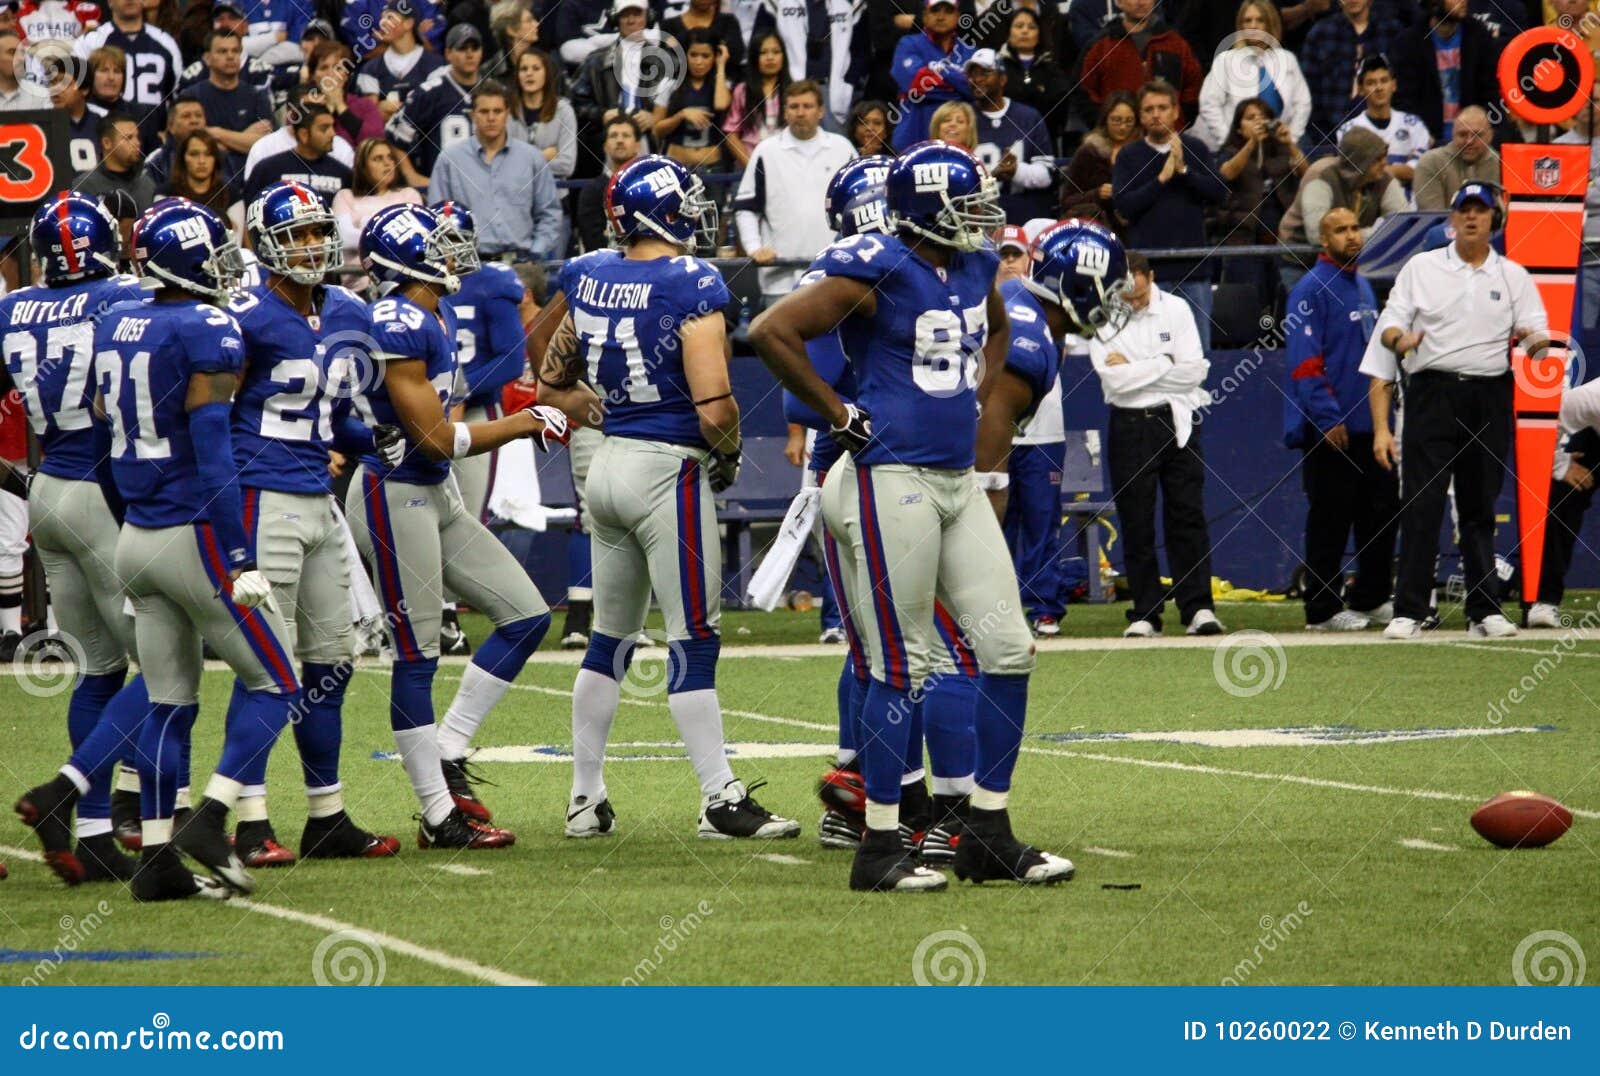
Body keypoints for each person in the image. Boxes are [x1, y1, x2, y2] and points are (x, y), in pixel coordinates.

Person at [751, 141, 1073, 892]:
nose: (985, 217)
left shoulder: (971, 264)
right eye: (968, 202)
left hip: (955, 481)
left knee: (1009, 648)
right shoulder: (877, 262)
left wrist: (973, 393)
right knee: (901, 665)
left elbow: (994, 328)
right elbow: (772, 330)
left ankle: (986, 831)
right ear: (930, 209)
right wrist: (841, 413)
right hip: (887, 476)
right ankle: (880, 846)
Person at [524, 155, 800, 845]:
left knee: (611, 639)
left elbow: (548, 378)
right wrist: (730, 452)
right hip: (666, 470)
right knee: (694, 637)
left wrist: (602, 414)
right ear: (662, 210)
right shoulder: (692, 282)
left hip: (610, 463)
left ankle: (584, 800)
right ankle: (718, 799)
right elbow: (713, 402)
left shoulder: (588, 273)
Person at [346, 203, 577, 845]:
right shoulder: (396, 319)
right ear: (407, 256)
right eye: (440, 246)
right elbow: (434, 438)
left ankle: (449, 749)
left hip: (431, 495)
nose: (454, 256)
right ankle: (439, 813)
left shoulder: (432, 312)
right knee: (417, 655)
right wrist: (524, 422)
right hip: (396, 495)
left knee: (527, 617)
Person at [94, 198, 293, 901]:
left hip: (137, 533)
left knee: (169, 702)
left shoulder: (117, 319)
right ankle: (210, 816)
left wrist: (131, 520)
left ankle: (155, 861)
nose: (224, 265)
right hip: (195, 534)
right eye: (211, 253)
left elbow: (100, 434)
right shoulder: (207, 327)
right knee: (280, 683)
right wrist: (240, 557)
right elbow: (213, 458)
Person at [222, 181, 406, 866]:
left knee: (331, 664)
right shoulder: (246, 315)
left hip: (318, 499)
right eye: (295, 234)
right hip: (261, 497)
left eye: (315, 232)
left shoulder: (347, 312)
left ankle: (326, 816)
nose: (309, 245)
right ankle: (248, 820)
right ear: (267, 244)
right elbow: (215, 416)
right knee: (267, 670)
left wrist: (369, 438)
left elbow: (325, 417)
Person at [4, 194, 148, 887]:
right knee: (163, 667)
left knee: (98, 666)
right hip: (102, 492)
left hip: (47, 490)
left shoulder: (14, 308)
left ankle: (92, 837)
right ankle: (86, 800)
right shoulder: (121, 293)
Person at [1362, 182, 1551, 640]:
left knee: (1479, 504)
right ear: (1452, 218)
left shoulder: (1513, 275)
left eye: (1480, 211)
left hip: (1488, 394)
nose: (1471, 218)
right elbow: (1391, 320)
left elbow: (1543, 341)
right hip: (1433, 391)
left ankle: (1484, 610)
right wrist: (1398, 340)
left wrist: (1533, 341)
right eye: (1464, 210)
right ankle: (1409, 610)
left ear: (1494, 219)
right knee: (1422, 501)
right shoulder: (1422, 267)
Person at [1089, 250, 1222, 638]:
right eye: (1126, 295)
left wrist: (1134, 368)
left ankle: (1198, 608)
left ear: (1151, 277)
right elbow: (1112, 384)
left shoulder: (1177, 309)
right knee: (1136, 519)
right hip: (1129, 426)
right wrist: (1164, 362)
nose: (1133, 302)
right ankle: (1146, 612)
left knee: (1187, 516)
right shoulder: (1102, 316)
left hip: (1176, 421)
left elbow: (1195, 373)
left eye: (1139, 294)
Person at [1283, 208, 1396, 631]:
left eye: (1355, 228)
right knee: (1330, 517)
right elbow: (1304, 363)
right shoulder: (1309, 290)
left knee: (1381, 512)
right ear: (1322, 239)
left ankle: (1371, 595)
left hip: (1373, 426)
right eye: (1340, 231)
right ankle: (1322, 609)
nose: (1352, 236)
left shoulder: (1364, 287)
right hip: (1331, 429)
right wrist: (1328, 417)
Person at [434, 200, 531, 654]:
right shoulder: (416, 290)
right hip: (422, 414)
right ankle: (423, 611)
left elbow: (512, 359)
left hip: (472, 414)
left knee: (462, 516)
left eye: (458, 243)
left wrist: (459, 394)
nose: (450, 254)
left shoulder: (492, 285)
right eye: (442, 244)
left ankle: (448, 614)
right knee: (416, 512)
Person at [984, 223, 1069, 637]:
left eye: (1015, 254)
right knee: (988, 525)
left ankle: (1043, 607)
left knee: (1041, 522)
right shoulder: (975, 302)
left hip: (1043, 431)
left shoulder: (1049, 304)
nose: (1008, 262)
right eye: (1001, 254)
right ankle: (992, 610)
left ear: (1030, 259)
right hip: (990, 432)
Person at [1112, 79, 1228, 348]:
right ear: (1140, 116)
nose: (1156, 114)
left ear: (1176, 111)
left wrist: (1185, 172)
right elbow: (1124, 206)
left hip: (1193, 268)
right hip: (1150, 274)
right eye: (1149, 109)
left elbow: (1219, 194)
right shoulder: (1129, 156)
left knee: (1198, 350)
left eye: (1162, 107)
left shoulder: (1196, 148)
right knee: (1152, 350)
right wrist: (1161, 179)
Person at [733, 79, 856, 301]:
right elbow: (746, 208)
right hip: (780, 281)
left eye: (807, 106)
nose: (800, 113)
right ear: (785, 112)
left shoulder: (843, 149)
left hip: (834, 275)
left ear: (821, 111)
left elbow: (860, 206)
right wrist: (754, 248)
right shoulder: (765, 152)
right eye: (794, 107)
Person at [430, 81, 563, 263]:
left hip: (522, 264)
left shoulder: (532, 158)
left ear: (507, 114)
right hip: (469, 267)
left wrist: (536, 252)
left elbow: (550, 213)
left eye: (497, 111)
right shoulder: (449, 160)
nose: (491, 118)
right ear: (473, 115)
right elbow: (438, 217)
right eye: (484, 112)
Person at [1526, 379, 1600, 628]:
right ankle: (1545, 600)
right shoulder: (1593, 396)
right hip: (1596, 442)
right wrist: (1559, 464)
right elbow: (1548, 420)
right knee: (1564, 495)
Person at [1196, 0, 1311, 152]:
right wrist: (1230, 142)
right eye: (1247, 20)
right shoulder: (1226, 60)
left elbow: (1303, 103)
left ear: (1270, 24)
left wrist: (1291, 141)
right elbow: (1209, 104)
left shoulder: (1287, 59)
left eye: (1260, 20)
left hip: (1277, 146)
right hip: (1232, 148)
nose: (1253, 26)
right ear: (1241, 26)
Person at [1076, 0, 1204, 131]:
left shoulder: (1176, 44)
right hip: (1117, 142)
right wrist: (1107, 125)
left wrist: (1178, 122)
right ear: (1118, 2)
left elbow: (1193, 88)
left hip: (1168, 140)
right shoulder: (1100, 46)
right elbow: (1084, 93)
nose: (1141, 2)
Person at [73, 0, 183, 148]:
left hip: (151, 135)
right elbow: (74, 90)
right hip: (100, 134)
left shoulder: (166, 43)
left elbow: (176, 94)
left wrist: (170, 132)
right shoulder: (90, 41)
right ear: (110, 2)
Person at [1299, 0, 1404, 151]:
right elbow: (1310, 95)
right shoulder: (1320, 34)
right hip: (1332, 139)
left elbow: (1404, 88)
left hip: (1388, 137)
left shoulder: (1392, 31)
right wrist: (1325, 143)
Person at [963, 48, 1054, 223]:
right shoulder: (963, 118)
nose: (977, 79)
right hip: (974, 216)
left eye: (986, 73)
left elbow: (1047, 175)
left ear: (1002, 79)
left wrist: (1017, 171)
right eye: (972, 74)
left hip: (1022, 213)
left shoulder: (1028, 117)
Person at [1393, 0, 1502, 143]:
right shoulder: (1409, 42)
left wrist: (1486, 128)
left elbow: (1490, 91)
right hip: (1427, 141)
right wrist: (1420, 135)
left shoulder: (1478, 34)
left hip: (1472, 139)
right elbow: (1405, 100)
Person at [388, 21, 484, 176]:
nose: (470, 54)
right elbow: (394, 136)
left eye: (475, 48)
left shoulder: (493, 91)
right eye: (462, 48)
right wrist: (412, 176)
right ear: (448, 53)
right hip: (443, 188)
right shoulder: (429, 93)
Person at [1283, 126, 1405, 246]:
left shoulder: (1383, 176)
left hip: (1353, 254)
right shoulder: (1321, 175)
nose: (1385, 163)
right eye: (1377, 159)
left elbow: (1403, 224)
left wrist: (1354, 237)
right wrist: (1377, 234)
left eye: (1384, 157)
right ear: (1359, 162)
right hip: (1300, 253)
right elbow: (1318, 236)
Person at [888, 0, 975, 151]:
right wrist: (957, 85)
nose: (941, 17)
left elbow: (974, 89)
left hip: (957, 142)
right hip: (913, 139)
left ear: (957, 16)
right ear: (925, 15)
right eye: (935, 11)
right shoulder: (908, 44)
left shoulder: (969, 51)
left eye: (948, 11)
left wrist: (938, 73)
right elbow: (916, 85)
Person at [1334, 54, 1431, 186]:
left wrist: (1375, 171)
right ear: (1361, 89)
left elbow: (1420, 171)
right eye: (1371, 83)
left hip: (1408, 204)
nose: (1379, 88)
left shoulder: (1414, 125)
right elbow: (1355, 174)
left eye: (1384, 80)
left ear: (1393, 85)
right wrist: (1398, 171)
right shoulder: (1348, 130)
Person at [188, 29, 273, 179]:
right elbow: (192, 145)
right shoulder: (192, 96)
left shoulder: (256, 96)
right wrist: (243, 138)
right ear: (207, 58)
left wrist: (217, 134)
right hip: (206, 179)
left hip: (249, 177)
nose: (230, 56)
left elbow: (264, 145)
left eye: (235, 51)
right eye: (222, 51)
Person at [332, 136, 424, 266]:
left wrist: (366, 224)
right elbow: (346, 239)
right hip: (359, 279)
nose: (388, 163)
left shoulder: (408, 195)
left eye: (390, 157)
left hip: (402, 278)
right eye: (378, 159)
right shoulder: (345, 197)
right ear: (362, 166)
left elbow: (416, 238)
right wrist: (393, 234)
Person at [244, 101, 353, 208]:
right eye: (324, 128)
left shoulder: (344, 174)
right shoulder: (267, 169)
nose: (332, 134)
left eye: (333, 127)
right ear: (303, 135)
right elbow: (252, 214)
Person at [243, 83, 356, 183]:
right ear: (292, 114)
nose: (321, 115)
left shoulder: (341, 147)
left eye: (323, 108)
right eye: (312, 109)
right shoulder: (264, 148)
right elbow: (254, 198)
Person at [653, 28, 731, 171]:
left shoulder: (722, 84)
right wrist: (681, 115)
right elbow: (656, 130)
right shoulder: (669, 84)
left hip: (713, 168)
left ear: (715, 56)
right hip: (677, 167)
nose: (699, 62)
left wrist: (721, 66)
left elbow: (721, 104)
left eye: (705, 56)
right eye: (693, 55)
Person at [354, 0, 443, 122]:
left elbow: (439, 112)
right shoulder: (370, 69)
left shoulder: (436, 65)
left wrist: (399, 110)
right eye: (382, 18)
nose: (382, 23)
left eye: (390, 18)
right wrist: (377, 111)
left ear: (408, 23)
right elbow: (367, 120)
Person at [1060, 92, 1137, 233]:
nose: (1122, 127)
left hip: (1135, 229)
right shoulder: (1089, 152)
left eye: (1129, 121)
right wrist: (1097, 194)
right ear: (1105, 119)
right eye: (1116, 120)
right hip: (1096, 230)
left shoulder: (1142, 151)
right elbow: (1067, 201)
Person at [997, 7, 1071, 144]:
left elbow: (1059, 108)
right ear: (1009, 33)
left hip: (1044, 136)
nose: (1025, 31)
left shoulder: (1052, 69)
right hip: (1004, 135)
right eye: (1019, 26)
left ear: (1039, 34)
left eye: (1031, 27)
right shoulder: (997, 67)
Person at [1411, 105, 1500, 211]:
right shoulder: (1430, 162)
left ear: (1490, 136)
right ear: (1453, 135)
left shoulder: (1502, 165)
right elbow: (1432, 217)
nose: (1469, 141)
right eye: (1462, 134)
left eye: (1477, 135)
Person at [721, 27, 790, 166]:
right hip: (750, 166)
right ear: (754, 58)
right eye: (763, 53)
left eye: (776, 52)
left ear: (784, 56)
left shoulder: (793, 91)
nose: (770, 57)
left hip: (787, 166)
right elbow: (731, 134)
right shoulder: (742, 91)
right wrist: (751, 167)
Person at [509, 47, 577, 179]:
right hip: (516, 194)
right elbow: (503, 163)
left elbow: (566, 166)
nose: (529, 73)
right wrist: (543, 156)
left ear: (546, 74)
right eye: (524, 69)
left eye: (536, 68)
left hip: (555, 195)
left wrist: (520, 162)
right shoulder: (507, 112)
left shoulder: (564, 111)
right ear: (517, 75)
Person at [577, 114, 641, 252]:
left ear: (637, 146)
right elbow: (592, 241)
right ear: (605, 146)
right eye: (613, 136)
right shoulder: (592, 190)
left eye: (626, 135)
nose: (619, 140)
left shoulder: (648, 185)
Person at [307, 39, 385, 150]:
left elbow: (374, 144)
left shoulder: (365, 106)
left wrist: (340, 106)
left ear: (346, 76)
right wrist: (328, 107)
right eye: (324, 68)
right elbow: (306, 145)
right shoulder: (303, 108)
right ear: (313, 76)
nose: (330, 74)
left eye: (338, 68)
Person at [73, 112, 157, 212]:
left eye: (137, 137)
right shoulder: (84, 187)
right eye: (128, 138)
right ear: (107, 143)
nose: (137, 143)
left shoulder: (147, 184)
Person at [160, 130, 239, 221]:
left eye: (208, 154)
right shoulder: (165, 194)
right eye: (194, 154)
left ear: (215, 158)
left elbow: (236, 234)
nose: (202, 161)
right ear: (183, 158)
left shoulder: (232, 194)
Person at [50, 62, 108, 174]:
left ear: (84, 89)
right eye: (52, 83)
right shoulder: (41, 125)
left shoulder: (104, 123)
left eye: (64, 84)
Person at [141, 93, 206, 188]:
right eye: (186, 116)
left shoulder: (221, 156)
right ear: (171, 126)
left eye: (199, 115)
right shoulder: (157, 161)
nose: (194, 121)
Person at [85, 43, 126, 113]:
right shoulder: (79, 113)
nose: (111, 77)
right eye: (104, 70)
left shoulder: (139, 113)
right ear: (90, 75)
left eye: (117, 71)